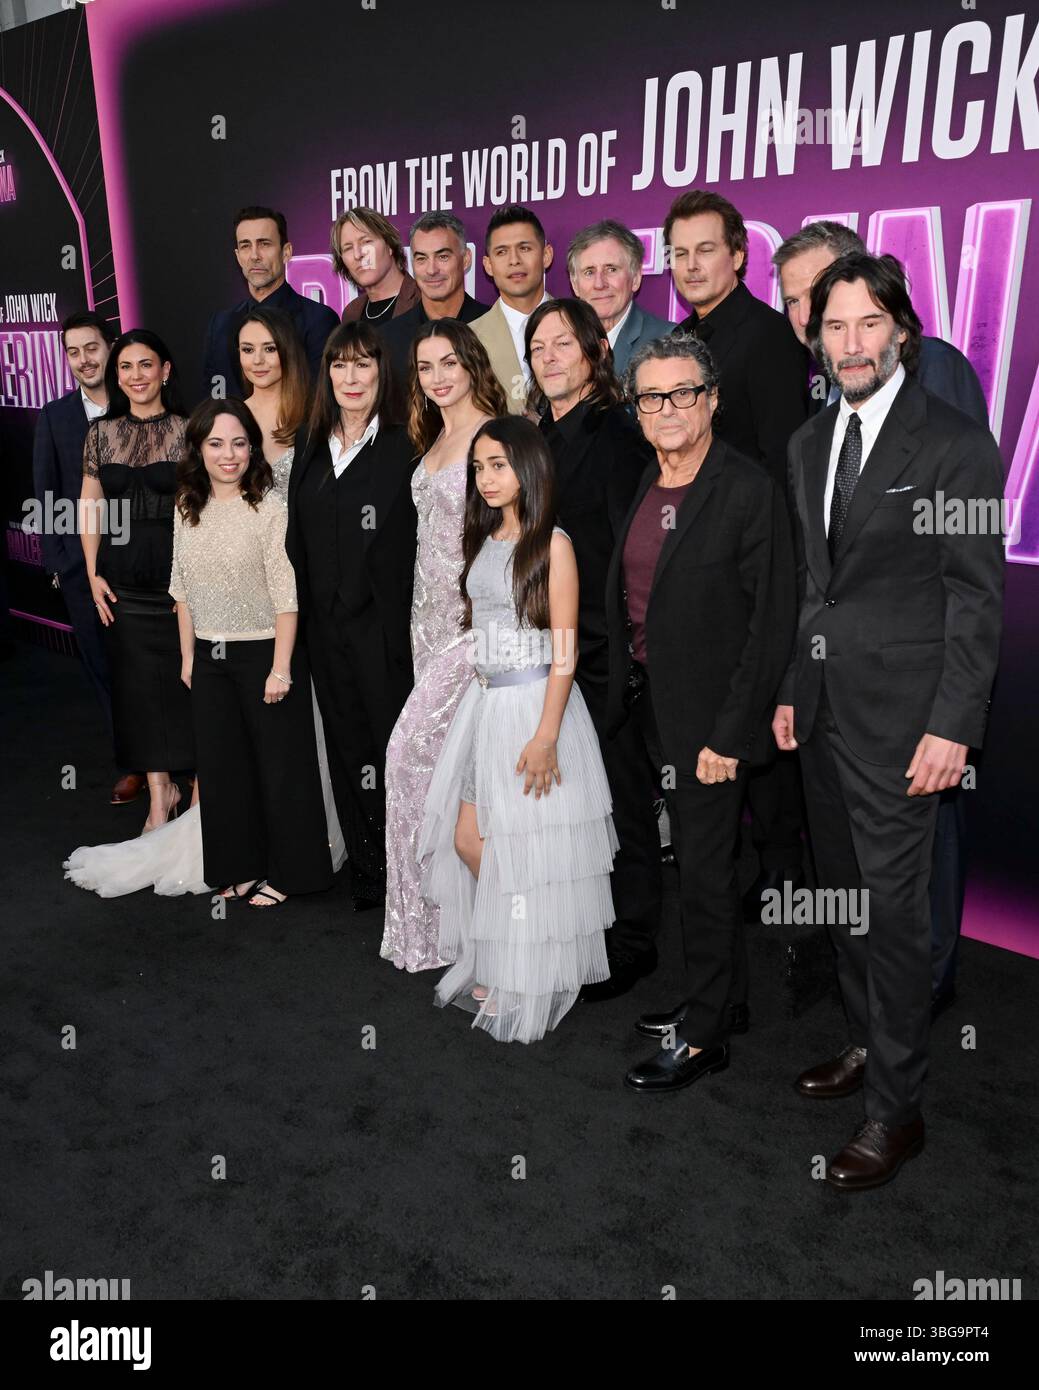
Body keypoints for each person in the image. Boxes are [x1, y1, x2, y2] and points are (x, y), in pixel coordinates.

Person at [774, 252, 1004, 1190]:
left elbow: (976, 598)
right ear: (815, 338)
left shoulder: (953, 442)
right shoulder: (805, 442)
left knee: (897, 917)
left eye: (868, 323)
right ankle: (871, 1044)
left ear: (901, 330)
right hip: (825, 714)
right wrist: (793, 686)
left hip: (909, 725)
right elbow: (811, 591)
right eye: (833, 326)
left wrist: (954, 724)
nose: (850, 343)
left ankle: (894, 1113)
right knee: (848, 905)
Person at [607, 335, 795, 1090]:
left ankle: (706, 1033)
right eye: (650, 397)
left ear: (712, 398)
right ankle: (721, 999)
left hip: (714, 722)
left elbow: (769, 625)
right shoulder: (646, 482)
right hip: (658, 706)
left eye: (683, 392)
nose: (666, 409)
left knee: (705, 875)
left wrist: (729, 736)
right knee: (695, 861)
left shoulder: (745, 490)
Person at [419, 416, 616, 1041]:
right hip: (485, 705)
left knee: (525, 851)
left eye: (498, 464)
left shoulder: (552, 543)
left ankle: (526, 972)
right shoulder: (485, 537)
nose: (486, 478)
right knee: (471, 840)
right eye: (478, 467)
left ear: (528, 467)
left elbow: (565, 649)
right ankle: (506, 954)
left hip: (533, 707)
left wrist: (547, 734)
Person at [666, 188, 810, 920]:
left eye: (705, 250)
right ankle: (752, 882)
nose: (691, 265)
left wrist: (775, 580)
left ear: (738, 255)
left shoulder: (766, 339)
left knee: (760, 735)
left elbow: (790, 473)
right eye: (679, 253)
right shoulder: (682, 340)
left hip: (754, 570)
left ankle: (790, 901)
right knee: (723, 732)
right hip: (699, 574)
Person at [526, 298, 661, 999]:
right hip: (544, 652)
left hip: (605, 658)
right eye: (538, 346)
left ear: (594, 354)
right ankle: (583, 927)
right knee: (570, 802)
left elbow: (633, 559)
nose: (549, 356)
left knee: (623, 801)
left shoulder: (616, 438)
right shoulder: (533, 439)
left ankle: (633, 940)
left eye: (562, 345)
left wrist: (627, 662)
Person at [168, 399, 332, 908]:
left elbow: (287, 595)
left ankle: (294, 874)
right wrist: (188, 659)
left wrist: (281, 668)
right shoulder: (186, 507)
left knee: (282, 770)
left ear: (252, 448)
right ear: (198, 448)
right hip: (209, 658)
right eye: (216, 443)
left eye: (239, 442)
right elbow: (181, 590)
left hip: (265, 653)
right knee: (223, 771)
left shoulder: (270, 507)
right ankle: (237, 867)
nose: (229, 454)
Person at [380, 321, 507, 971]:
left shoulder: (495, 434)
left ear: (473, 363)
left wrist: (486, 618)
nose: (437, 376)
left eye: (449, 362)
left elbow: (513, 533)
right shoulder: (432, 435)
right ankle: (447, 935)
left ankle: (493, 933)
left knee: (406, 762)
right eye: (425, 366)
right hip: (423, 622)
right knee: (446, 780)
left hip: (470, 626)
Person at [286, 321, 419, 912]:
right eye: (340, 365)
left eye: (363, 364)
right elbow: (298, 542)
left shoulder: (405, 444)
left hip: (384, 632)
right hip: (325, 630)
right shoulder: (311, 448)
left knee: (395, 751)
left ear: (382, 373)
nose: (351, 376)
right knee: (346, 749)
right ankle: (371, 870)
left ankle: (411, 875)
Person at [79, 330, 193, 833]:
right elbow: (90, 505)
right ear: (116, 375)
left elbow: (201, 509)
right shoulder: (100, 435)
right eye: (126, 367)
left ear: (165, 371)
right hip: (121, 582)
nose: (136, 376)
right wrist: (91, 572)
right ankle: (157, 794)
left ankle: (199, 795)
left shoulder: (191, 430)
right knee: (138, 693)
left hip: (177, 582)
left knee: (188, 687)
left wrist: (192, 581)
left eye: (146, 365)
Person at [32, 311, 144, 806]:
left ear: (110, 346)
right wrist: (63, 565)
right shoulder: (54, 416)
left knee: (148, 665)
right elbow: (46, 491)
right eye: (73, 352)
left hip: (142, 564)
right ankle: (132, 762)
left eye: (91, 348)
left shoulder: (138, 403)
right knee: (103, 667)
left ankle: (175, 761)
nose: (84, 360)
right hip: (82, 569)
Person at [202, 206, 340, 396]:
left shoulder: (318, 320)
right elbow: (212, 400)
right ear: (238, 257)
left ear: (286, 252)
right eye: (245, 246)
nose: (254, 256)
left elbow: (320, 401)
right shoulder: (220, 325)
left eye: (264, 244)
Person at [380, 213, 491, 384]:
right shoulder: (389, 339)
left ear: (466, 259)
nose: (431, 270)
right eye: (421, 258)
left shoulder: (494, 326)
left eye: (443, 256)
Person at [471, 206, 553, 412]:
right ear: (488, 265)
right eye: (502, 252)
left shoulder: (579, 326)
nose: (514, 260)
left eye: (524, 248)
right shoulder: (469, 338)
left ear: (546, 255)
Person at [568, 218, 673, 377]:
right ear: (575, 284)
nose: (599, 284)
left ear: (636, 277)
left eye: (611, 269)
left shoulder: (667, 341)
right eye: (589, 272)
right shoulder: (561, 343)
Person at [237, 305, 312, 492]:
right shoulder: (230, 418)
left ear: (288, 350)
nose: (257, 360)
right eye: (247, 350)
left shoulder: (313, 415)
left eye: (270, 349)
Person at [333, 206, 420, 326]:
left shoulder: (423, 299)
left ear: (389, 245)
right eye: (348, 248)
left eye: (366, 242)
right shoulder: (351, 313)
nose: (358, 255)